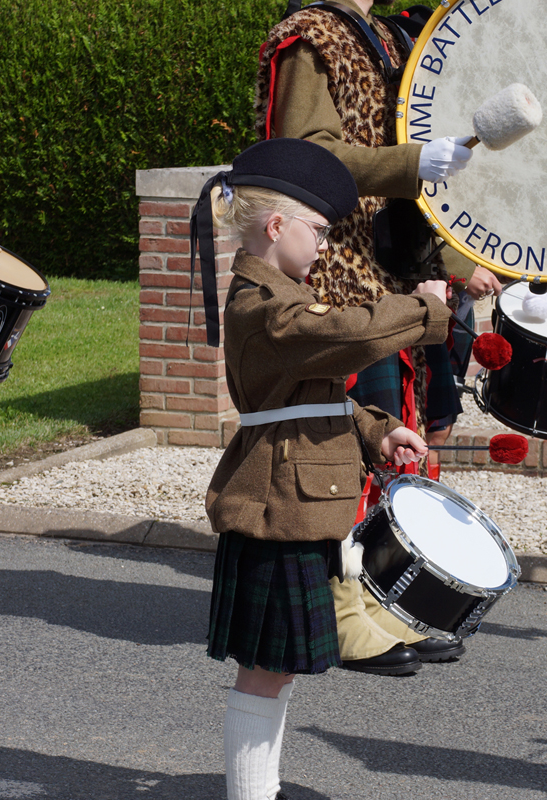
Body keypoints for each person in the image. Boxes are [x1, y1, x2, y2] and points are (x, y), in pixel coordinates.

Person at [199, 137, 450, 800]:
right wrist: (425, 308)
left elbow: (316, 394)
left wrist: (375, 429)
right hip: (276, 507)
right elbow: (347, 336)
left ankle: (261, 789)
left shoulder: (282, 294)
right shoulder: (262, 306)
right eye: (318, 231)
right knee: (264, 669)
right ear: (276, 227)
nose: (324, 245)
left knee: (274, 670)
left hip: (298, 502)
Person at [258, 0, 502, 675]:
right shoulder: (308, 37)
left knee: (393, 439)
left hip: (390, 272)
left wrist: (451, 257)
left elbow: (408, 169)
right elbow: (308, 156)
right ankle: (336, 608)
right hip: (333, 271)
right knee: (335, 451)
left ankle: (378, 593)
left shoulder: (392, 35)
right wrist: (414, 161)